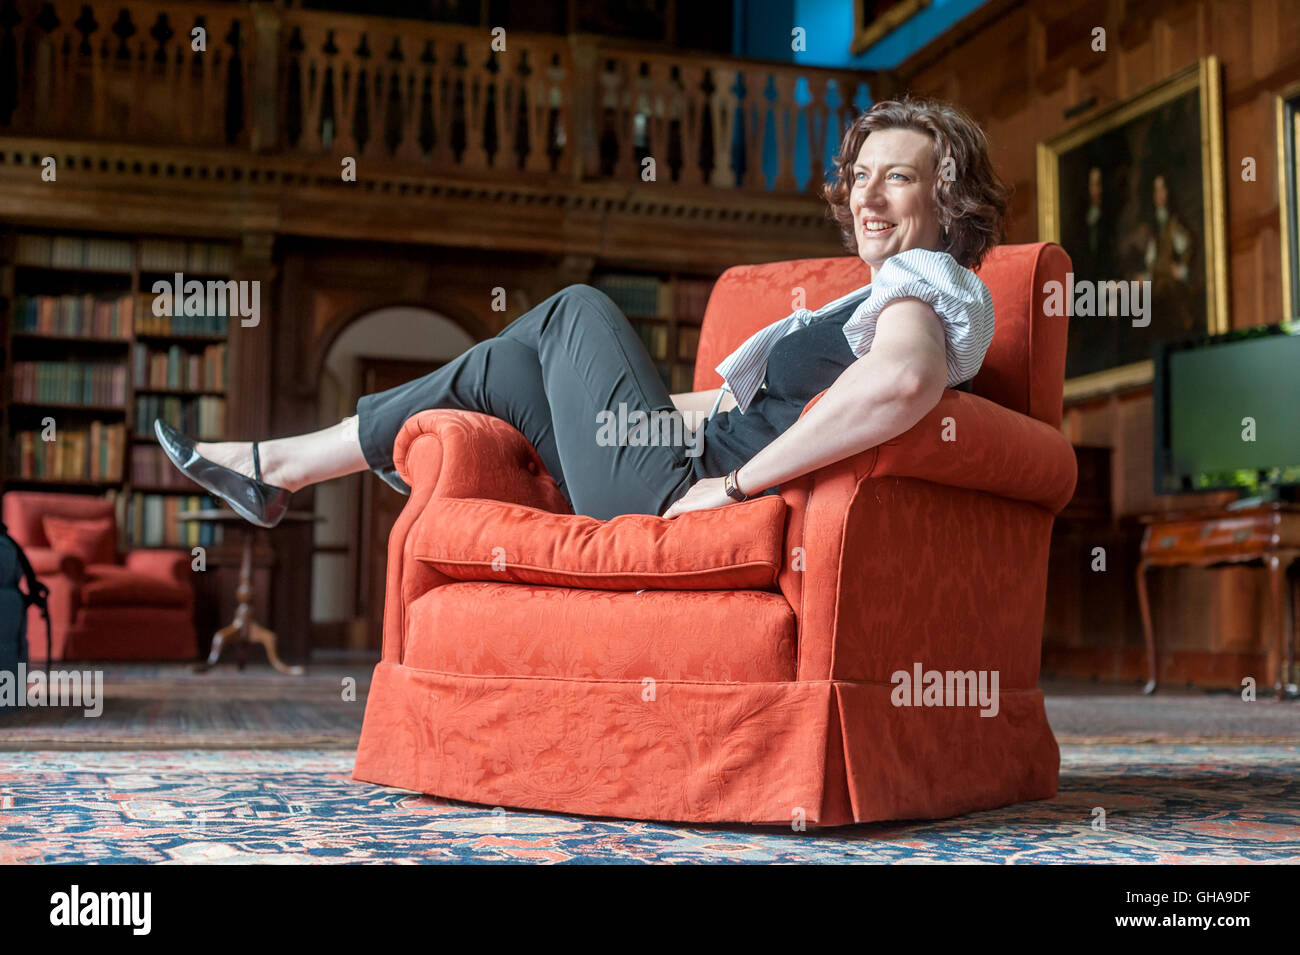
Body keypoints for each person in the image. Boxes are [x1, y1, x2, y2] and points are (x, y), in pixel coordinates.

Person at [157, 96, 1010, 526]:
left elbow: (904, 380)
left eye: (895, 176)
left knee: (575, 308)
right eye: (859, 176)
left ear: (945, 197)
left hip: (680, 489)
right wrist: (609, 417)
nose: (867, 196)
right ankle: (285, 469)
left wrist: (733, 484)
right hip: (664, 459)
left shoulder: (927, 283)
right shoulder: (869, 299)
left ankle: (296, 463)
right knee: (505, 364)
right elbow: (726, 406)